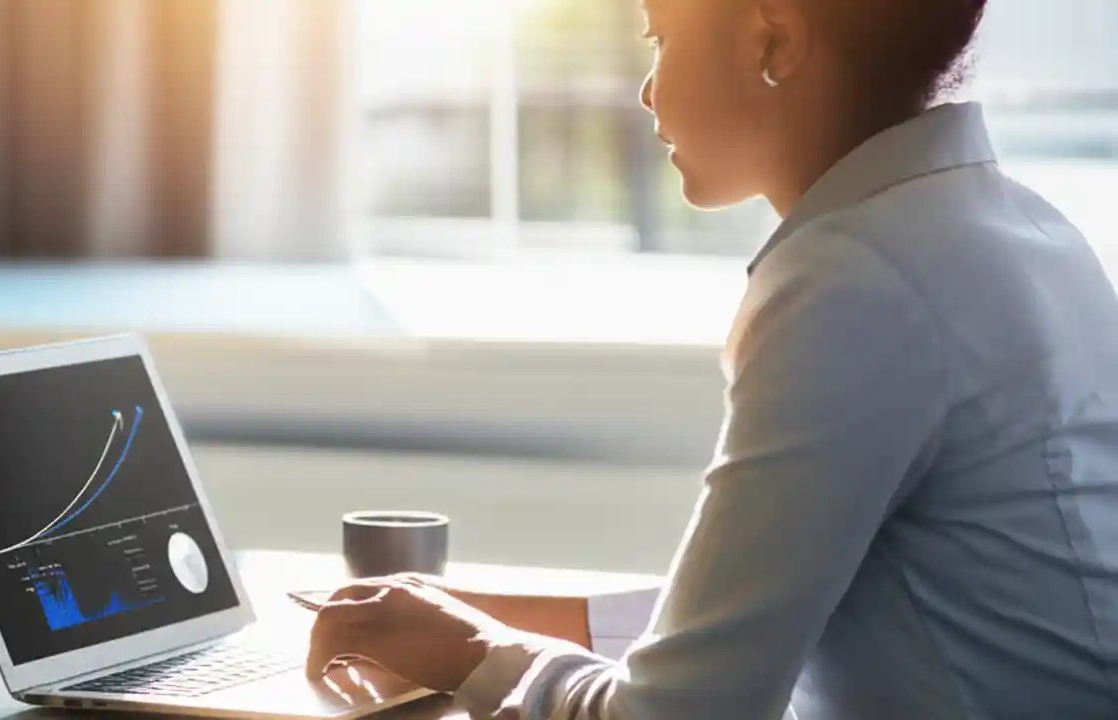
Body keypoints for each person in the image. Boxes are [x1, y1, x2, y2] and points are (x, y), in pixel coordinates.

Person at [308, 0, 1118, 717]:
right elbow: (784, 601)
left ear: (773, 40)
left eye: (659, 37)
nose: (647, 91)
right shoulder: (1023, 231)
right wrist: (474, 614)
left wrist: (469, 654)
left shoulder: (855, 282)